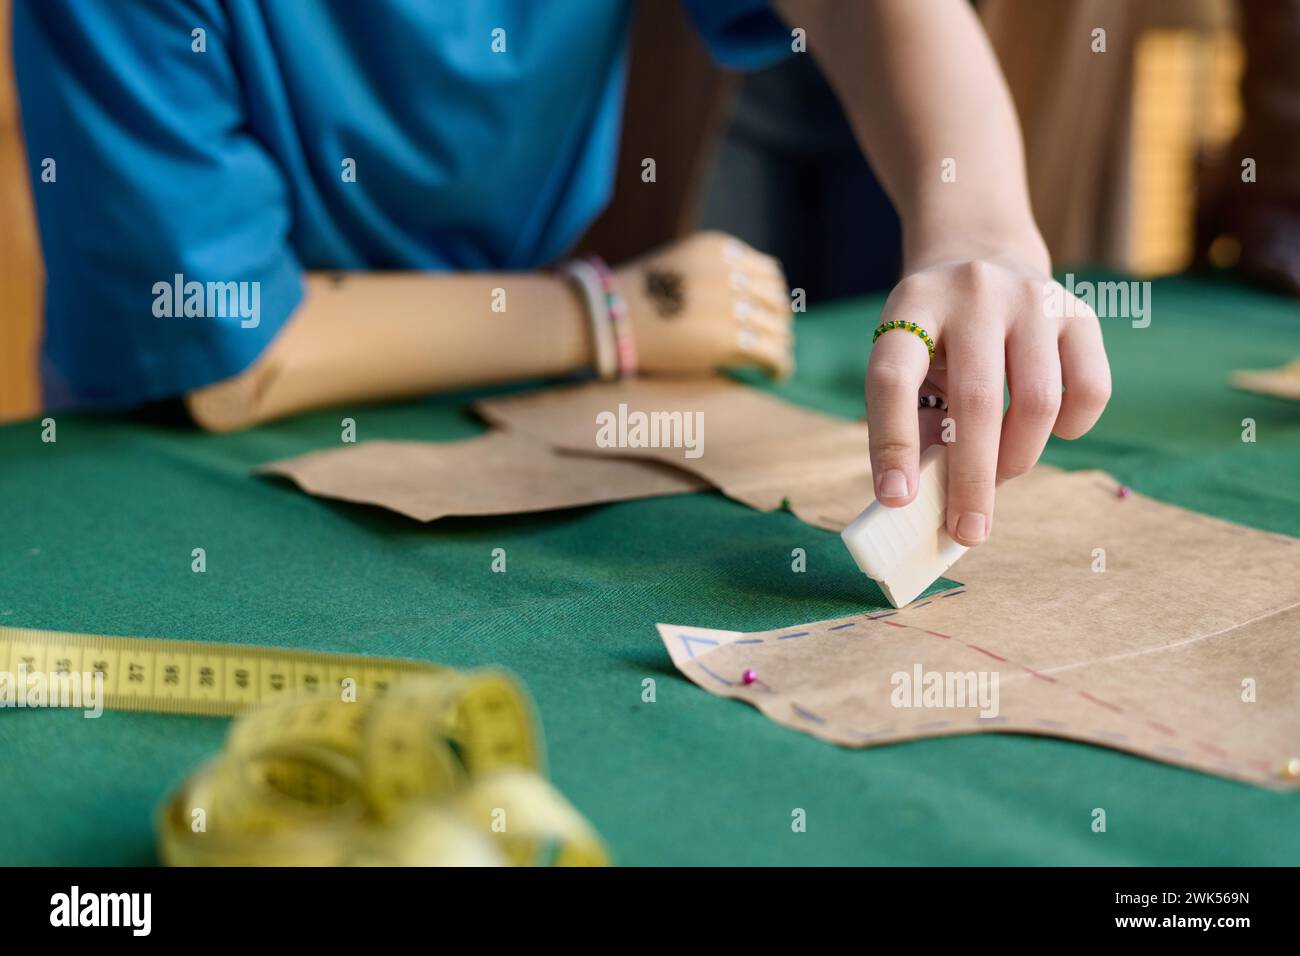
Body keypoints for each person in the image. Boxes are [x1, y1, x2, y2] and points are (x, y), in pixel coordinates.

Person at [15, 0, 1111, 550]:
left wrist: (981, 233)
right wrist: (607, 315)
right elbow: (230, 354)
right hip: (177, 468)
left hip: (503, 424)